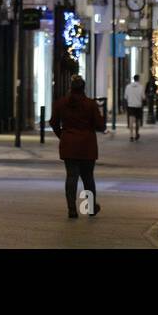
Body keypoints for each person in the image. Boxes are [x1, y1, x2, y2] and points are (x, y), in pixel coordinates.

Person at [49, 75, 106, 218]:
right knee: (88, 178)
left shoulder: (61, 103)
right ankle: (90, 207)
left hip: (69, 144)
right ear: (83, 88)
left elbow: (53, 123)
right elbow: (100, 125)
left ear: (70, 87)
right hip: (87, 145)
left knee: (71, 176)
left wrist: (62, 135)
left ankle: (72, 209)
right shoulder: (90, 104)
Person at [123, 75, 145, 141]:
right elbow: (143, 97)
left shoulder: (128, 87)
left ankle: (131, 136)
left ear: (133, 79)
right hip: (138, 106)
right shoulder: (141, 87)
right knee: (137, 120)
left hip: (130, 105)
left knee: (131, 120)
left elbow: (125, 97)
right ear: (138, 79)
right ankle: (137, 133)